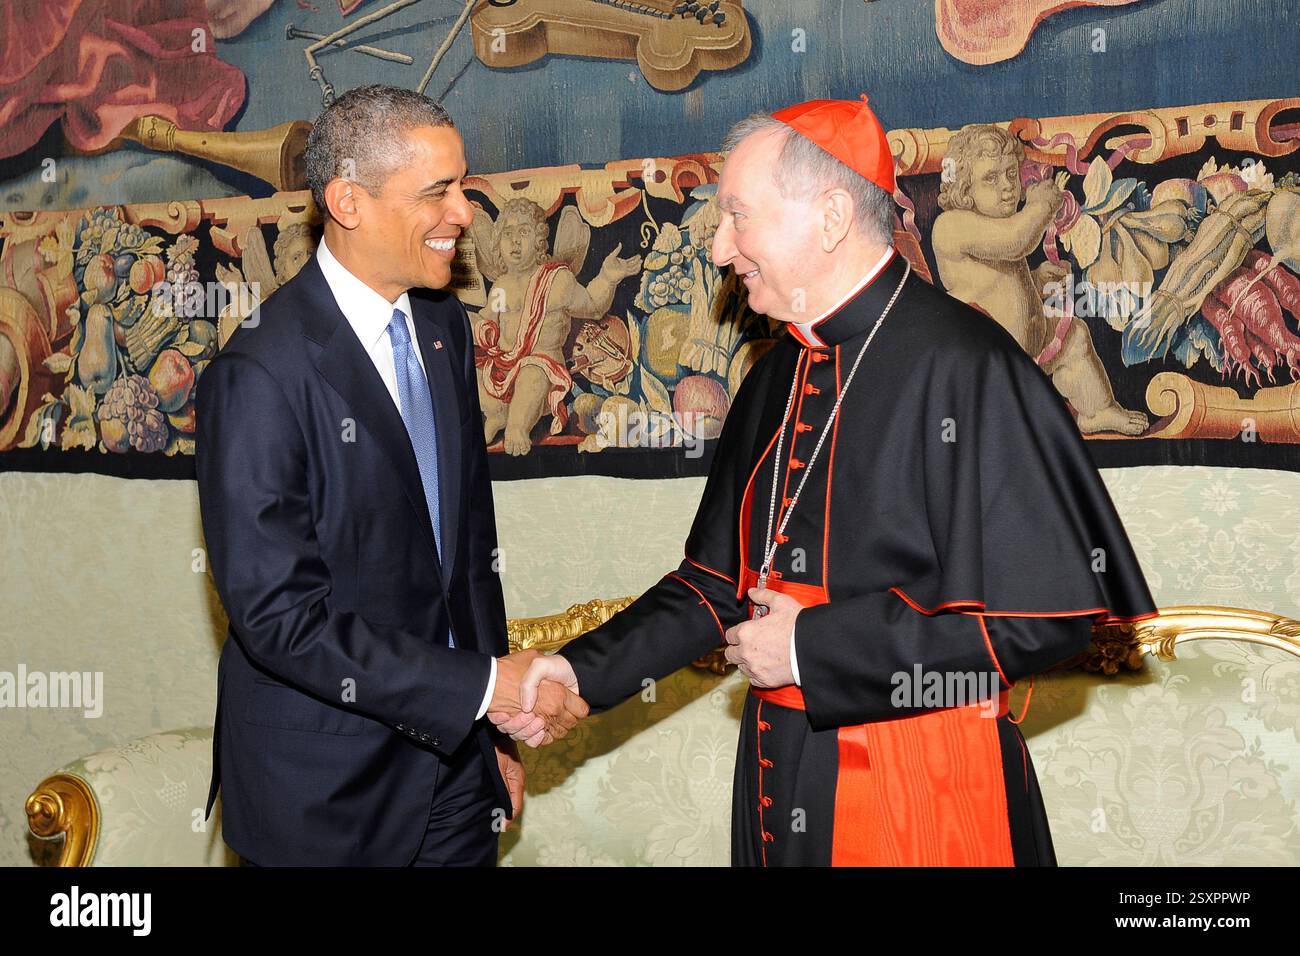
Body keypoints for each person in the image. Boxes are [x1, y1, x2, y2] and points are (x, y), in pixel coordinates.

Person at [496, 96, 1158, 866]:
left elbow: (1042, 623)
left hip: (925, 781)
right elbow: (712, 586)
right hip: (782, 768)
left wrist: (813, 646)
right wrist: (572, 669)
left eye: (739, 217)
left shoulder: (969, 367)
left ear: (832, 216)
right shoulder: (776, 373)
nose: (719, 249)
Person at [195, 84, 586, 867]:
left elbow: (469, 555)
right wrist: (482, 689)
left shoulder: (441, 324)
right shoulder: (261, 373)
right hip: (326, 794)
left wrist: (493, 739)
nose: (464, 213)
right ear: (348, 201)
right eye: (436, 192)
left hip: (453, 776)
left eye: (463, 185)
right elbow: (281, 620)